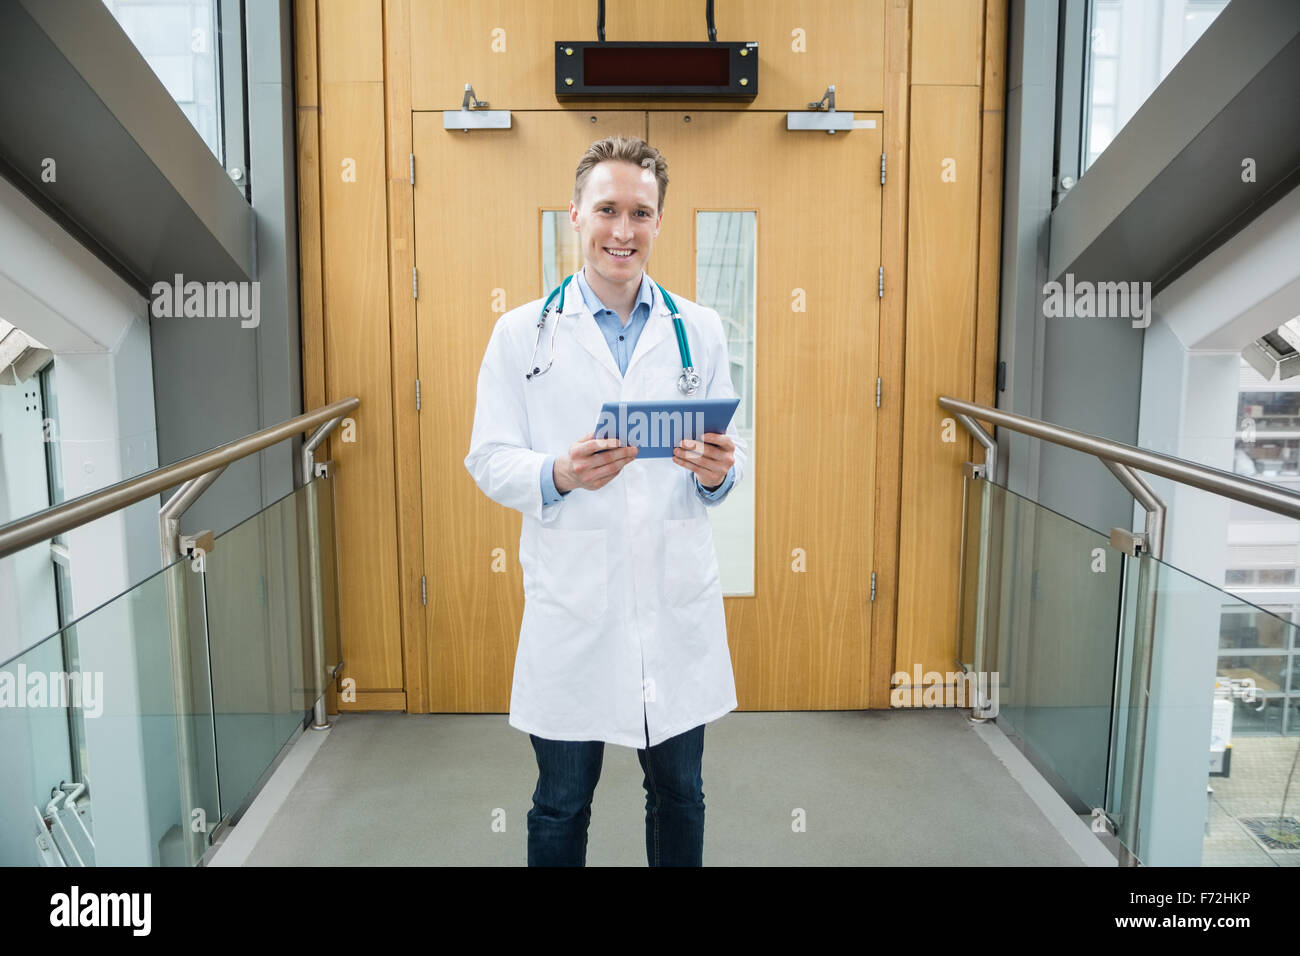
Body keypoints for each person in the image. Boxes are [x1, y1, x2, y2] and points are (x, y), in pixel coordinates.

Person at [463, 136, 747, 866]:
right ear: (575, 215)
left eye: (641, 213)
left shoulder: (701, 332)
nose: (623, 230)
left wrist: (717, 473)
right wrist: (559, 472)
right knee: (561, 800)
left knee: (680, 793)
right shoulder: (521, 333)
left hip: (671, 600)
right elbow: (488, 458)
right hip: (574, 607)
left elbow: (723, 469)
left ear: (659, 221)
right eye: (608, 210)